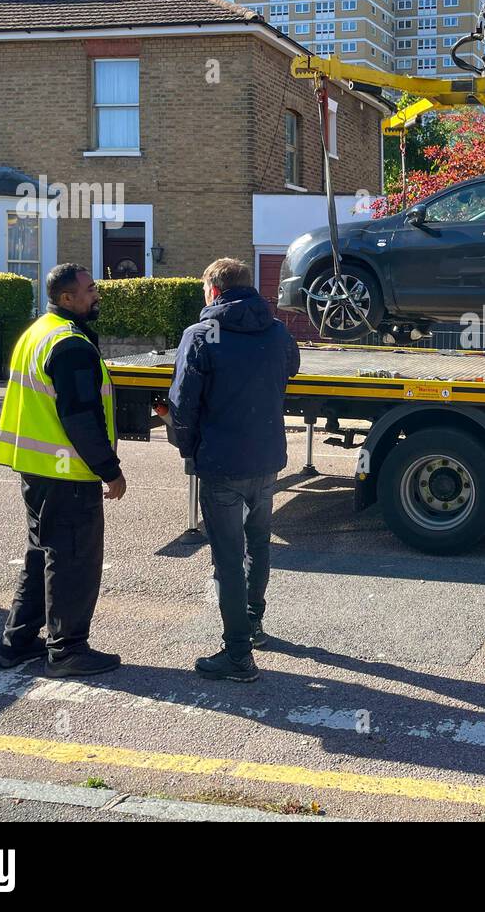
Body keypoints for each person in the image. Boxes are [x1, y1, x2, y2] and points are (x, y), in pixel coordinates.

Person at [168, 258, 300, 682]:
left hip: (222, 463)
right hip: (266, 459)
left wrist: (190, 450)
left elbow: (183, 404)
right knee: (257, 544)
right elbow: (290, 369)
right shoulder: (277, 330)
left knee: (227, 557)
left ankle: (238, 655)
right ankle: (253, 623)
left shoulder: (202, 335)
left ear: (214, 290)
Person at [0, 264, 126, 679]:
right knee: (73, 560)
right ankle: (67, 650)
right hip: (67, 473)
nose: (96, 294)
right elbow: (81, 416)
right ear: (67, 298)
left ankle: (16, 642)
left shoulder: (38, 331)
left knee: (42, 552)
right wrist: (110, 471)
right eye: (89, 290)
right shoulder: (70, 345)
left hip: (37, 468)